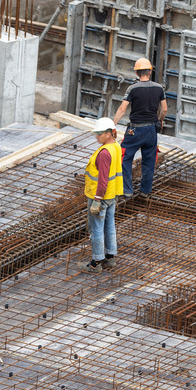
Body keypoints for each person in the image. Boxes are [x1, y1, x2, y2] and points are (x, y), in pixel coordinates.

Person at [113, 57, 167, 197]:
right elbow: (165, 109)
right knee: (149, 161)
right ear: (149, 72)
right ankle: (145, 191)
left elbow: (122, 109)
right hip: (151, 130)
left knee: (124, 158)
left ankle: (127, 191)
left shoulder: (132, 89)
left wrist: (112, 125)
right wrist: (159, 120)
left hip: (135, 130)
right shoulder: (159, 88)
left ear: (137, 73)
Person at [81, 117, 123, 274]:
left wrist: (97, 201)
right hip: (112, 195)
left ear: (108, 133)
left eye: (99, 134)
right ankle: (110, 258)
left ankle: (95, 263)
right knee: (110, 225)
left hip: (101, 197)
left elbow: (103, 180)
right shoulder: (115, 146)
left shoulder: (104, 153)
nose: (96, 137)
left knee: (97, 229)